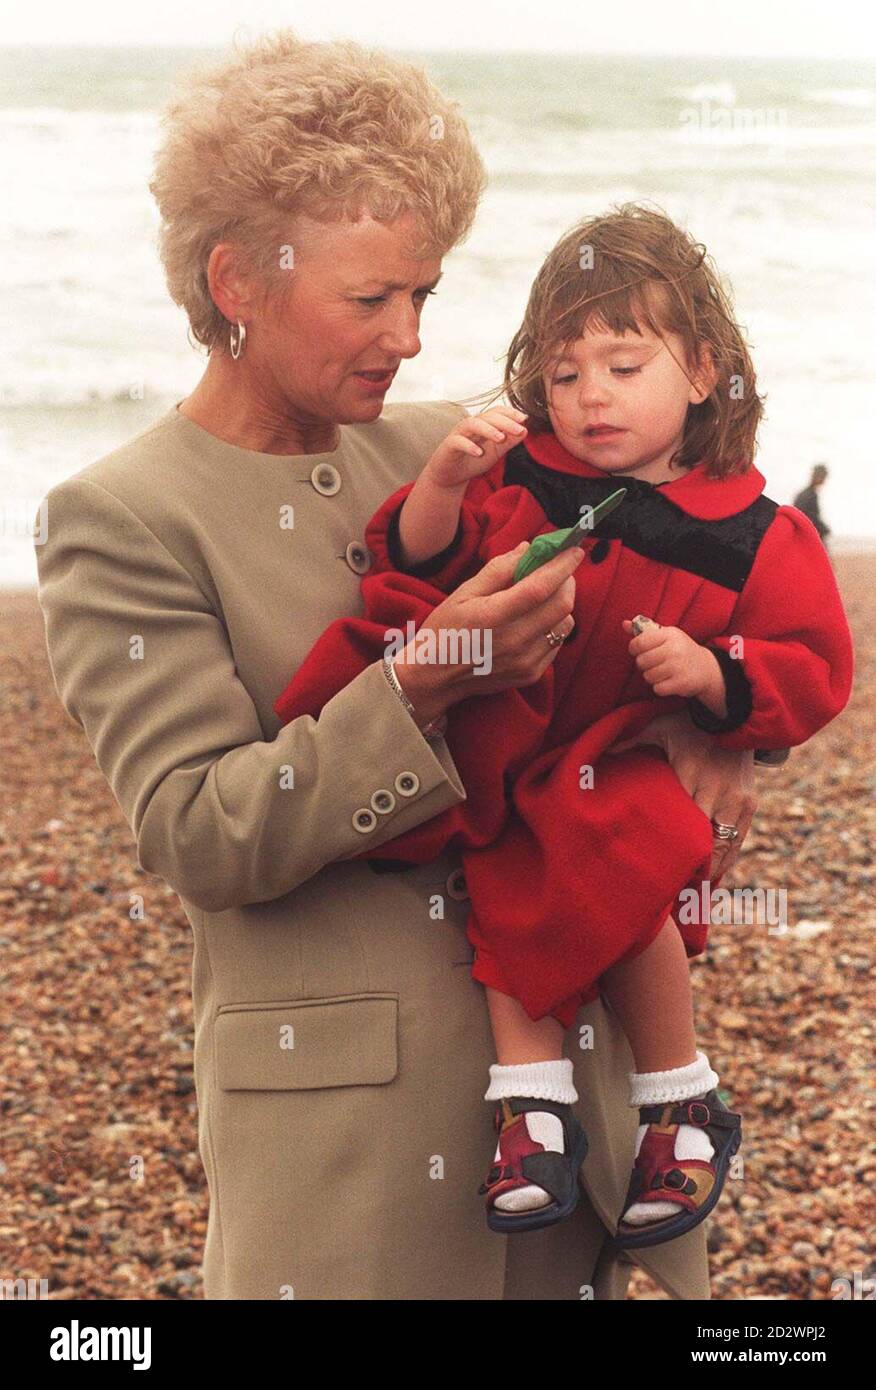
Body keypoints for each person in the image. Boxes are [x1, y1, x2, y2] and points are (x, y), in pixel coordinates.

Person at [34, 33, 758, 1300]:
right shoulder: (124, 514)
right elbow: (203, 834)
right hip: (351, 1162)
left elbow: (689, 498)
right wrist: (426, 680)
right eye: (373, 301)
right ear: (236, 280)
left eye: (425, 293)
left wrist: (727, 726)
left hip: (582, 1128)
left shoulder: (460, 447)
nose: (413, 338)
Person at [273, 206, 853, 1249]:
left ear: (704, 370)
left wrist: (719, 683)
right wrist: (446, 481)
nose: (591, 397)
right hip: (514, 748)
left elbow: (813, 665)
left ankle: (682, 1098)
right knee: (506, 878)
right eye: (566, 371)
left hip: (622, 759)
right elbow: (424, 560)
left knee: (611, 858)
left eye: (625, 367)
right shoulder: (525, 477)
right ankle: (533, 1109)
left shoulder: (753, 532)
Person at [793, 464, 831, 546]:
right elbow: (810, 517)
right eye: (823, 477)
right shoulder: (809, 495)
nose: (824, 480)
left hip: (802, 535)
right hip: (805, 536)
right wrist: (824, 529)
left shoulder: (806, 493)